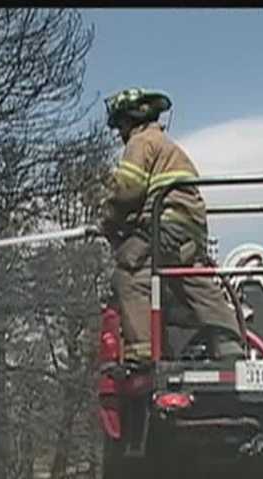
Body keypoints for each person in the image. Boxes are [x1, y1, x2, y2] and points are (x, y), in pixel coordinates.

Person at [93, 87, 244, 363]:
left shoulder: (140, 143)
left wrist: (107, 220)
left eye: (121, 126)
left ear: (130, 120)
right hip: (189, 225)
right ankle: (229, 344)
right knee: (189, 275)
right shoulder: (167, 145)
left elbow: (128, 189)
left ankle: (143, 353)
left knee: (129, 271)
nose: (120, 133)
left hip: (164, 222)